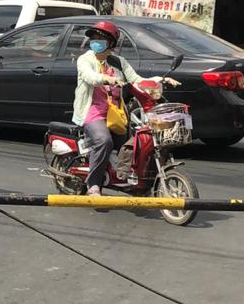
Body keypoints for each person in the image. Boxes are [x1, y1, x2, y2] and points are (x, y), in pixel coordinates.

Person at [73, 20, 177, 197]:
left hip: (116, 113)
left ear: (112, 43)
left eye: (101, 38)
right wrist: (108, 79)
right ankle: (94, 184)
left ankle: (127, 180)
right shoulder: (85, 59)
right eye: (94, 38)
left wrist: (161, 80)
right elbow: (90, 77)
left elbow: (137, 80)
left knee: (132, 146)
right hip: (93, 111)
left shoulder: (118, 62)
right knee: (104, 141)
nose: (95, 41)